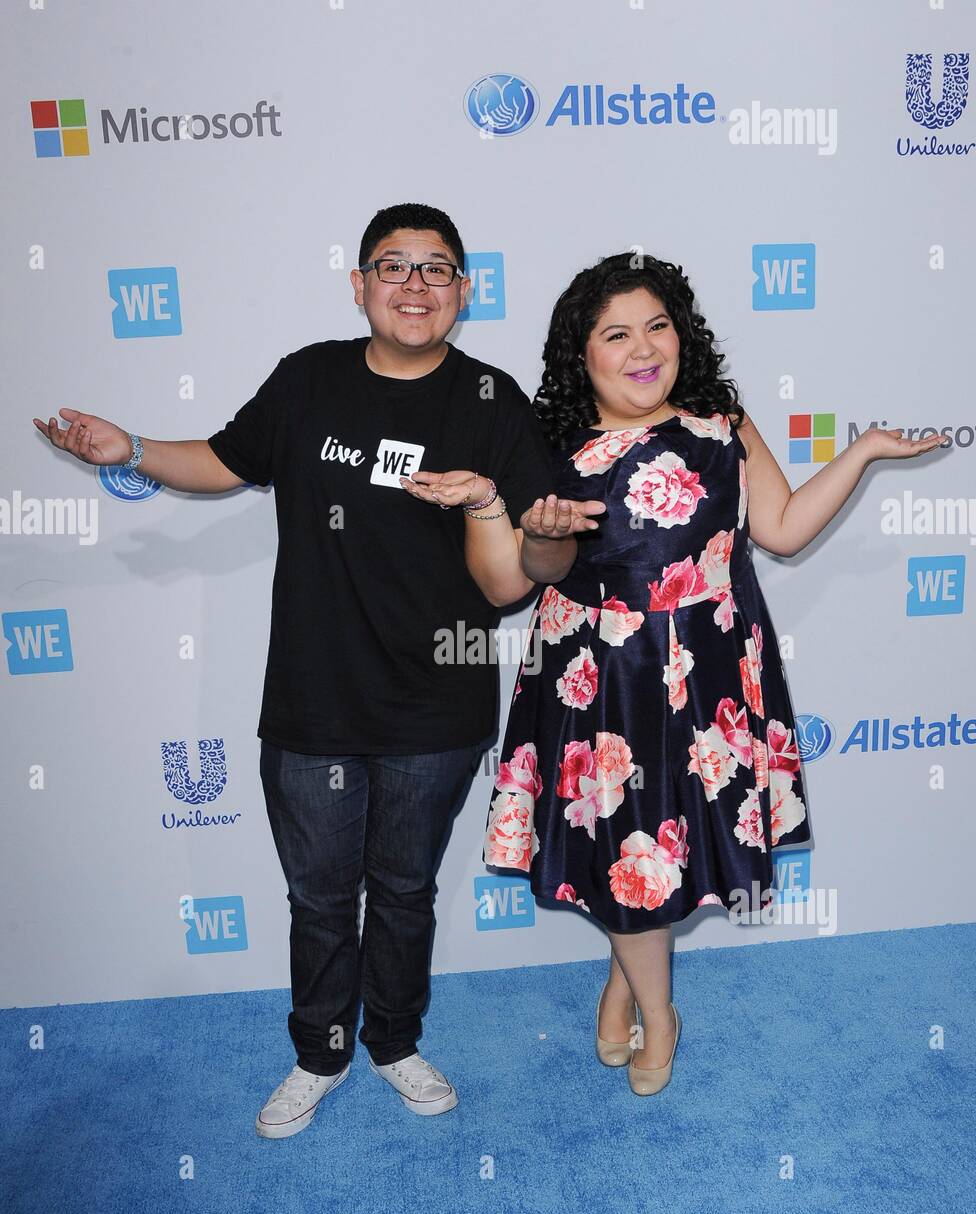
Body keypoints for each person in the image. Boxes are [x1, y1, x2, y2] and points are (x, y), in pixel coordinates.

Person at [32, 203, 602, 1139]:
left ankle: (394, 1043)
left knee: (406, 892)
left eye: (435, 269)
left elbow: (525, 576)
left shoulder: (493, 399)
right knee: (322, 897)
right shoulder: (308, 380)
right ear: (358, 283)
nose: (413, 285)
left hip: (437, 701)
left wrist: (520, 522)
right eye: (393, 266)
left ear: (464, 291)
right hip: (311, 698)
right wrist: (128, 449)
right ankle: (320, 1051)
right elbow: (223, 460)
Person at [414, 250, 948, 1099]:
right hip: (598, 682)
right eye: (616, 333)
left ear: (682, 334)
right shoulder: (551, 448)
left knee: (658, 855)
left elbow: (781, 528)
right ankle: (661, 1013)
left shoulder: (721, 426)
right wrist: (542, 531)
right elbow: (533, 571)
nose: (642, 347)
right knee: (620, 851)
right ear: (579, 355)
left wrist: (867, 454)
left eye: (657, 325)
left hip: (707, 673)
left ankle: (631, 987)